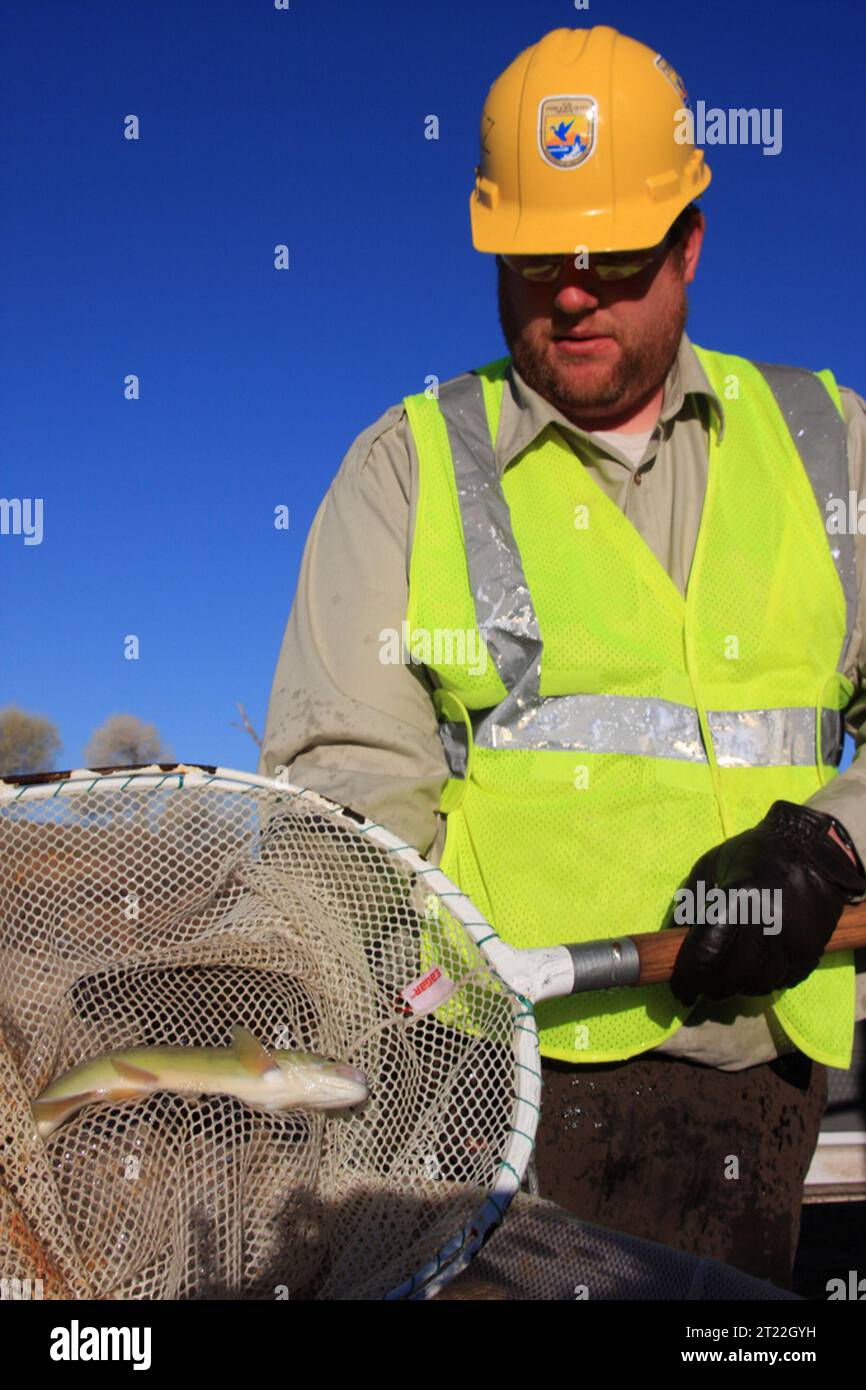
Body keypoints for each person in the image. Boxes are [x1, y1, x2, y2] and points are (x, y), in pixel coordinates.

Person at [259, 24, 866, 1289]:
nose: (572, 290)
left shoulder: (831, 448)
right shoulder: (409, 468)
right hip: (516, 1093)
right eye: (536, 259)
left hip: (763, 1078)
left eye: (612, 256)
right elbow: (342, 796)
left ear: (687, 243)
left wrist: (828, 844)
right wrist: (432, 1009)